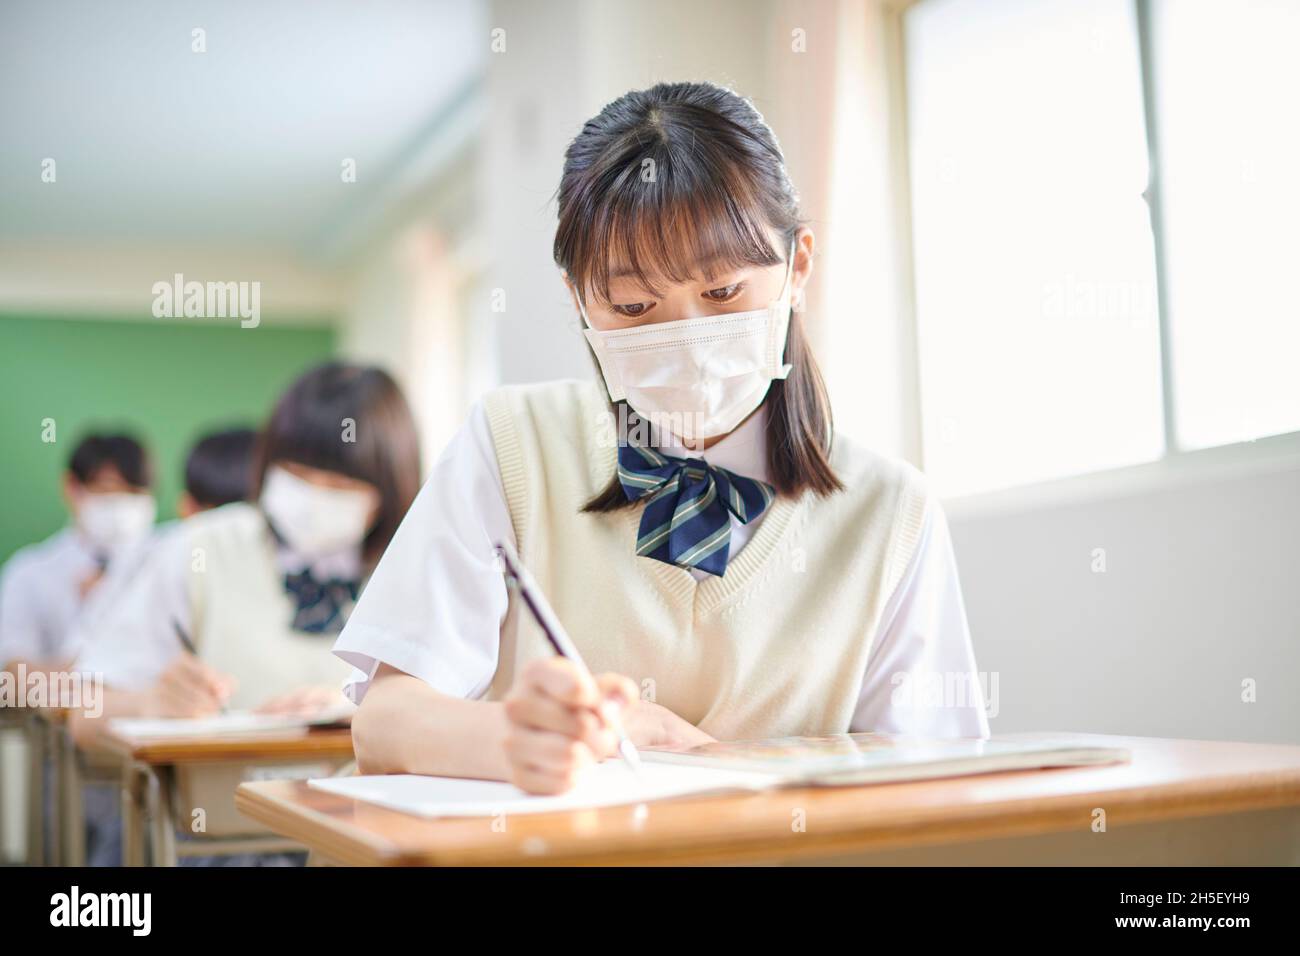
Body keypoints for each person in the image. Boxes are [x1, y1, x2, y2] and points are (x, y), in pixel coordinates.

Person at [336, 81, 990, 796]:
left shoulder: (892, 512)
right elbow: (384, 723)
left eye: (723, 294)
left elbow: (931, 782)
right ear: (578, 299)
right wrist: (516, 737)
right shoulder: (512, 445)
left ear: (798, 265)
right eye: (633, 306)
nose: (683, 338)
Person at [0, 433, 155, 684]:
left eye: (134, 492)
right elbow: (15, 676)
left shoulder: (167, 559)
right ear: (72, 487)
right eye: (107, 491)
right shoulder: (28, 572)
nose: (121, 505)